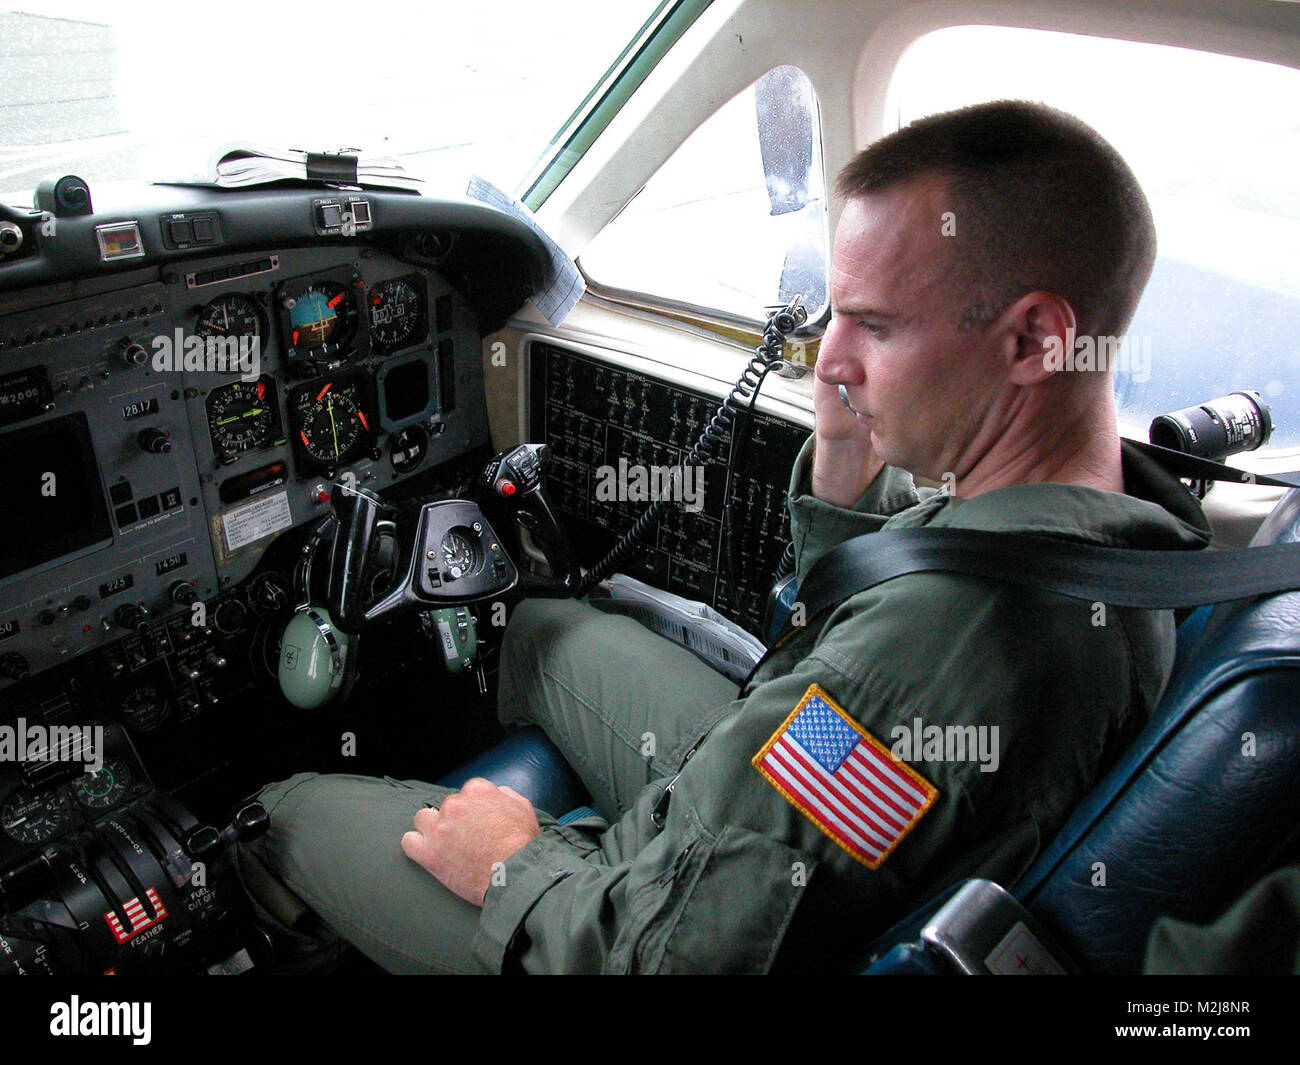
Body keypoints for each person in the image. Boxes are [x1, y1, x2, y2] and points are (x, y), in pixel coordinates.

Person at [235, 99, 1212, 974]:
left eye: (872, 325)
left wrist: (513, 862)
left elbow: (672, 956)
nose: (825, 359)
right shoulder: (1118, 521)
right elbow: (838, 714)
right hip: (784, 802)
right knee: (539, 631)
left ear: (1036, 340)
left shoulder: (933, 659)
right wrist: (840, 474)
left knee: (279, 810)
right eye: (834, 314)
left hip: (629, 927)